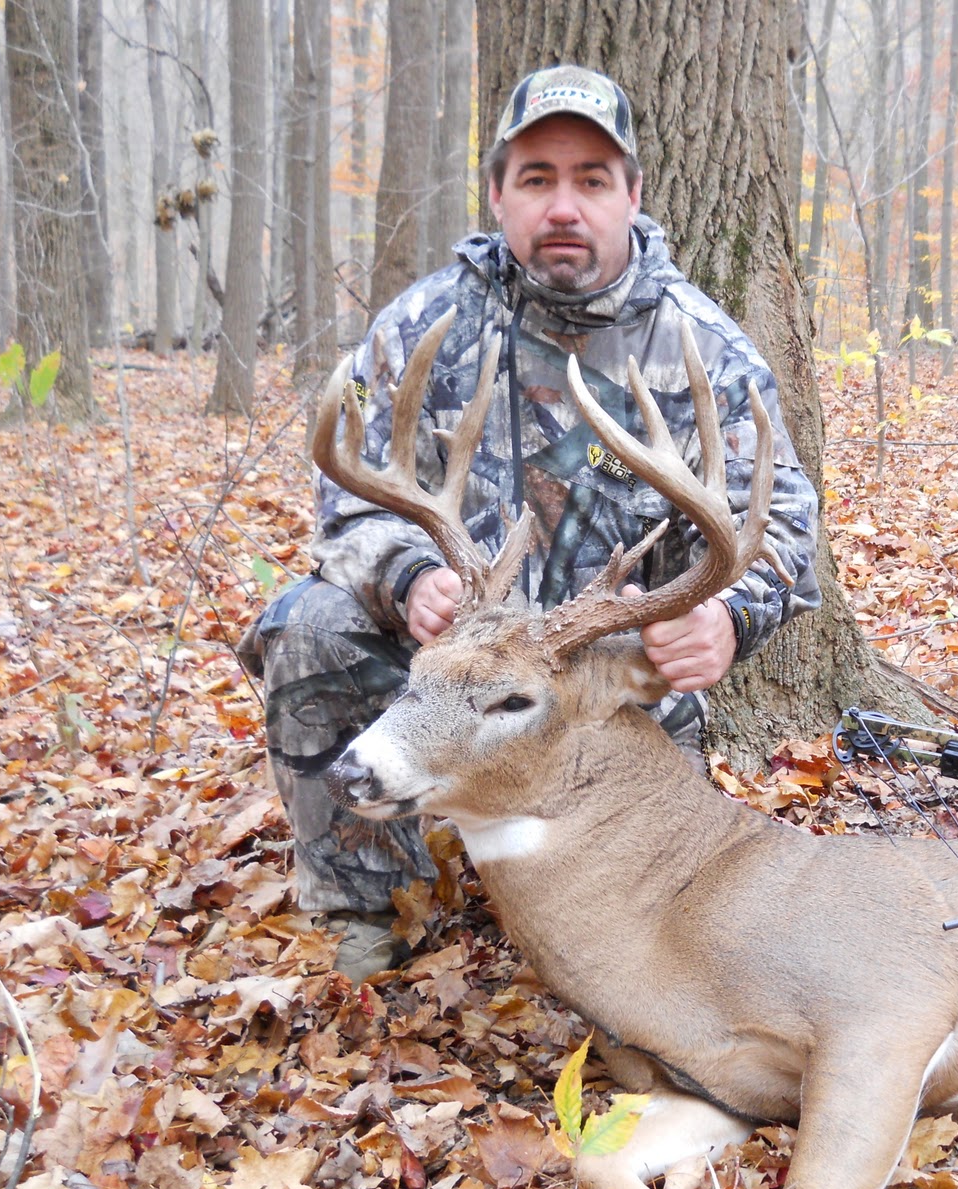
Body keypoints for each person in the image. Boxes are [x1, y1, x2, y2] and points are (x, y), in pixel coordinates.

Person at [239, 65, 821, 981]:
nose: (564, 206)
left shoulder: (706, 349)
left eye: (591, 180)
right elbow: (345, 509)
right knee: (310, 628)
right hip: (450, 660)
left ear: (631, 195)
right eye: (537, 178)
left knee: (643, 935)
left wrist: (725, 616)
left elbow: (782, 525)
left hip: (603, 680)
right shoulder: (421, 326)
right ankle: (368, 907)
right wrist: (405, 579)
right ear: (499, 193)